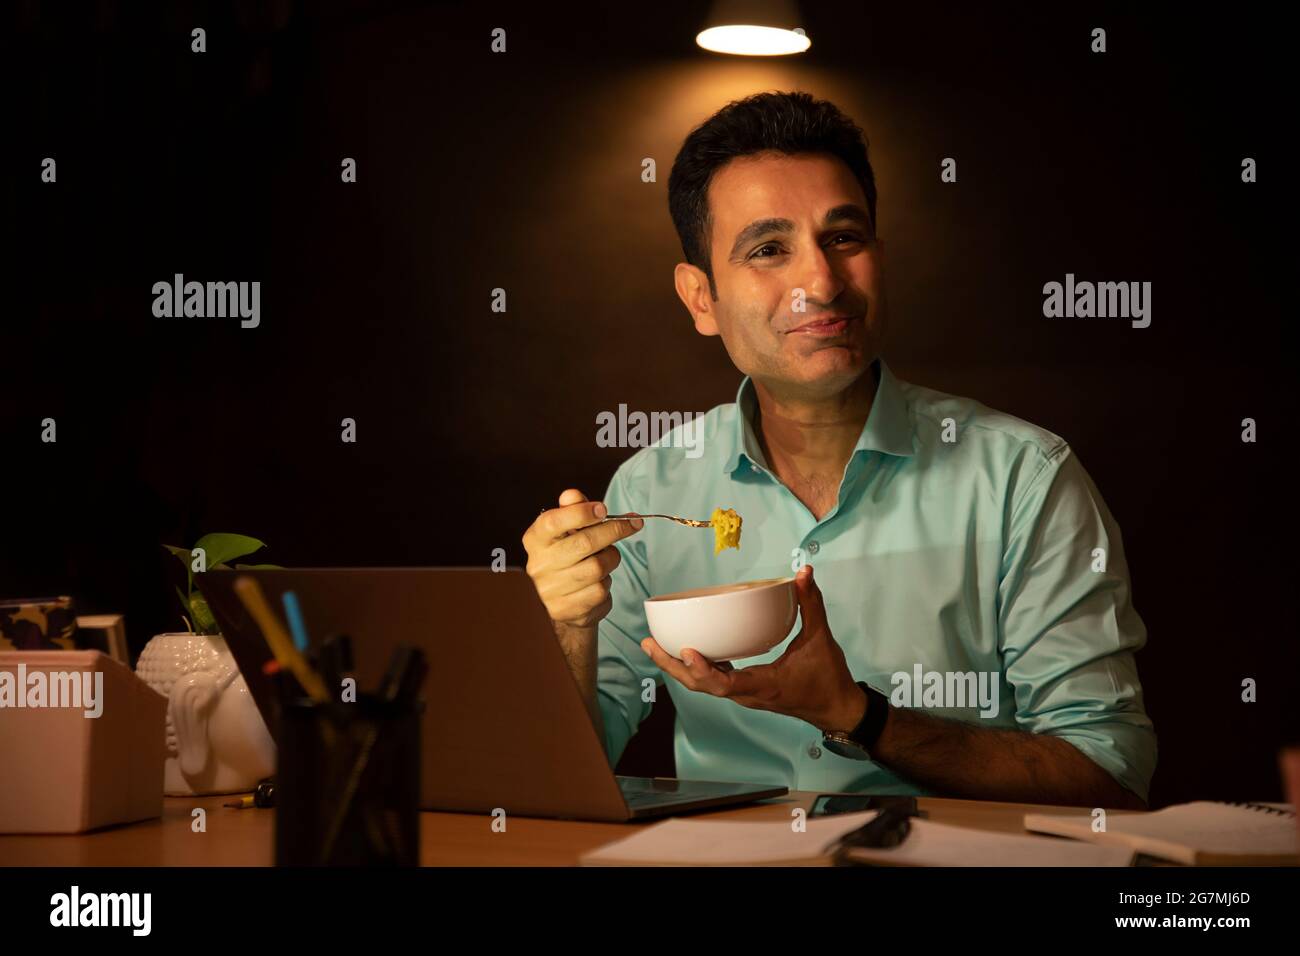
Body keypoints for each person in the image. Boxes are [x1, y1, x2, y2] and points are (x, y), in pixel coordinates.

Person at [522, 90, 1155, 809]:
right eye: (768, 250)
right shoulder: (651, 491)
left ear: (878, 259)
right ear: (701, 299)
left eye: (844, 239)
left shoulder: (1022, 480)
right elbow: (566, 769)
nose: (820, 283)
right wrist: (567, 629)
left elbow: (1111, 771)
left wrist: (861, 716)